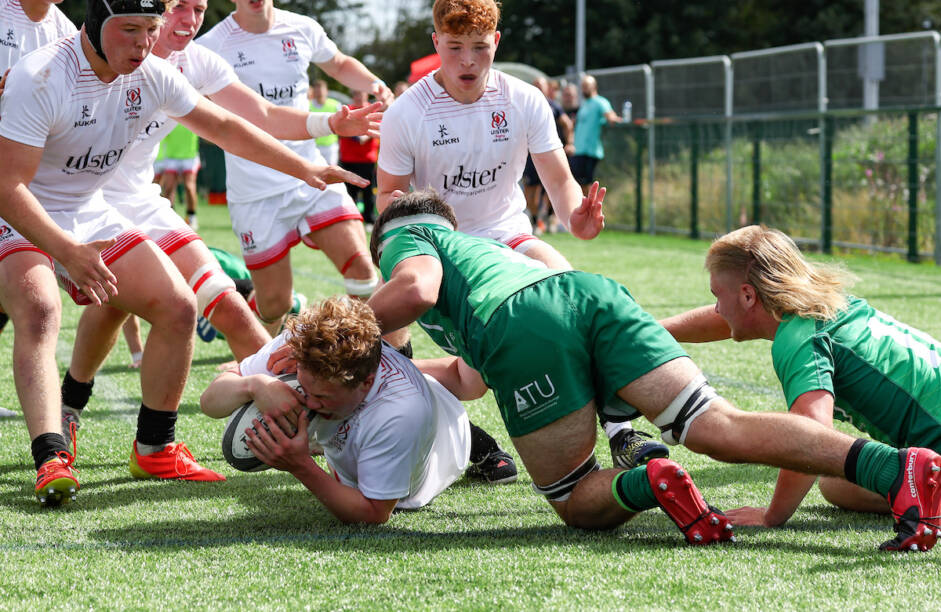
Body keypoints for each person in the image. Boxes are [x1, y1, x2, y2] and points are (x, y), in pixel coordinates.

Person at [366, 191, 941, 552]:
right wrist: (635, 333)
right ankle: (897, 468)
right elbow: (469, 378)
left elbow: (415, 289)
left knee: (574, 498)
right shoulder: (485, 255)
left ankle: (649, 482)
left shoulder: (404, 238)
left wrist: (346, 333)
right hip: (587, 294)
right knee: (722, 426)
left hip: (529, 327)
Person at [0, 0, 366, 505]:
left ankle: (155, 447)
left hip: (92, 211)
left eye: (151, 29)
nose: (144, 43)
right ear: (93, 24)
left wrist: (304, 168)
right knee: (40, 309)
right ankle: (51, 454)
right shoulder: (40, 75)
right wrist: (67, 251)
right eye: (129, 29)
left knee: (177, 307)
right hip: (17, 209)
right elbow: (7, 184)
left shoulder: (153, 73)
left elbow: (225, 126)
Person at [376, 0, 661, 472]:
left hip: (506, 235)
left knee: (573, 292)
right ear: (435, 43)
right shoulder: (408, 113)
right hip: (445, 251)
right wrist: (420, 245)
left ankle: (622, 432)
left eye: (479, 47)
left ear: (497, 44)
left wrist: (575, 218)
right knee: (471, 382)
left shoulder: (523, 99)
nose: (467, 60)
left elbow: (559, 179)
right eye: (454, 47)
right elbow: (387, 197)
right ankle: (429, 417)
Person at [659, 224, 941, 528]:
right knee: (843, 475)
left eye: (717, 295)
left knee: (836, 484)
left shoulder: (798, 338)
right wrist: (651, 330)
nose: (716, 307)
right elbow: (725, 318)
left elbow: (810, 430)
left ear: (749, 296)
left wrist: (772, 516)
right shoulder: (823, 303)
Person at [197, 0, 394, 335]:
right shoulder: (209, 47)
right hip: (256, 191)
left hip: (312, 176)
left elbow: (339, 63)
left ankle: (369, 361)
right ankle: (261, 313)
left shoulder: (302, 27)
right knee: (275, 304)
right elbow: (262, 116)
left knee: (363, 270)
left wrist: (374, 85)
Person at [200, 296, 471, 524]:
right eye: (305, 386)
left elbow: (374, 513)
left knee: (458, 387)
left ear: (366, 383)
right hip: (383, 405)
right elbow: (209, 401)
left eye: (322, 396)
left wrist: (301, 466)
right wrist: (255, 385)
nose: (310, 402)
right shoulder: (305, 344)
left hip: (445, 441)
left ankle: (483, 445)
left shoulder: (400, 414)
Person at [522, 76, 573, 235]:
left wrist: (569, 143)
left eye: (541, 86)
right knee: (531, 190)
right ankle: (535, 221)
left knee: (553, 186)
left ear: (547, 88)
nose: (538, 88)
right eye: (535, 85)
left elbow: (567, 124)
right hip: (529, 154)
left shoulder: (553, 106)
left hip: (548, 153)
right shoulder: (524, 106)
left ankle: (551, 218)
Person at [571, 74, 620, 195]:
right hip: (578, 150)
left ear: (594, 86)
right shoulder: (584, 104)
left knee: (587, 184)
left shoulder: (600, 102)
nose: (584, 89)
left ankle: (589, 211)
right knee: (577, 184)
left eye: (586, 86)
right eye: (582, 86)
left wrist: (614, 118)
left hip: (590, 151)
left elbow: (610, 115)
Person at [339, 90, 379, 226]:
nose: (358, 96)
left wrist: (357, 133)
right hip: (348, 158)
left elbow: (374, 131)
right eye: (355, 93)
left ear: (366, 94)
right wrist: (358, 134)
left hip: (367, 159)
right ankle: (351, 217)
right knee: (350, 191)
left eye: (360, 93)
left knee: (368, 191)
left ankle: (369, 219)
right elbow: (340, 129)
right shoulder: (347, 110)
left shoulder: (372, 110)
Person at [156, 123, 201, 229]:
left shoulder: (193, 117)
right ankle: (170, 218)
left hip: (190, 157)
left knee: (189, 187)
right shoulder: (170, 116)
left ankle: (191, 217)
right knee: (168, 188)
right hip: (171, 157)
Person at [308, 78, 341, 165]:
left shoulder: (335, 105)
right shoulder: (307, 105)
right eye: (317, 90)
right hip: (313, 146)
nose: (319, 92)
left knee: (331, 174)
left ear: (326, 91)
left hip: (330, 146)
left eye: (321, 89)